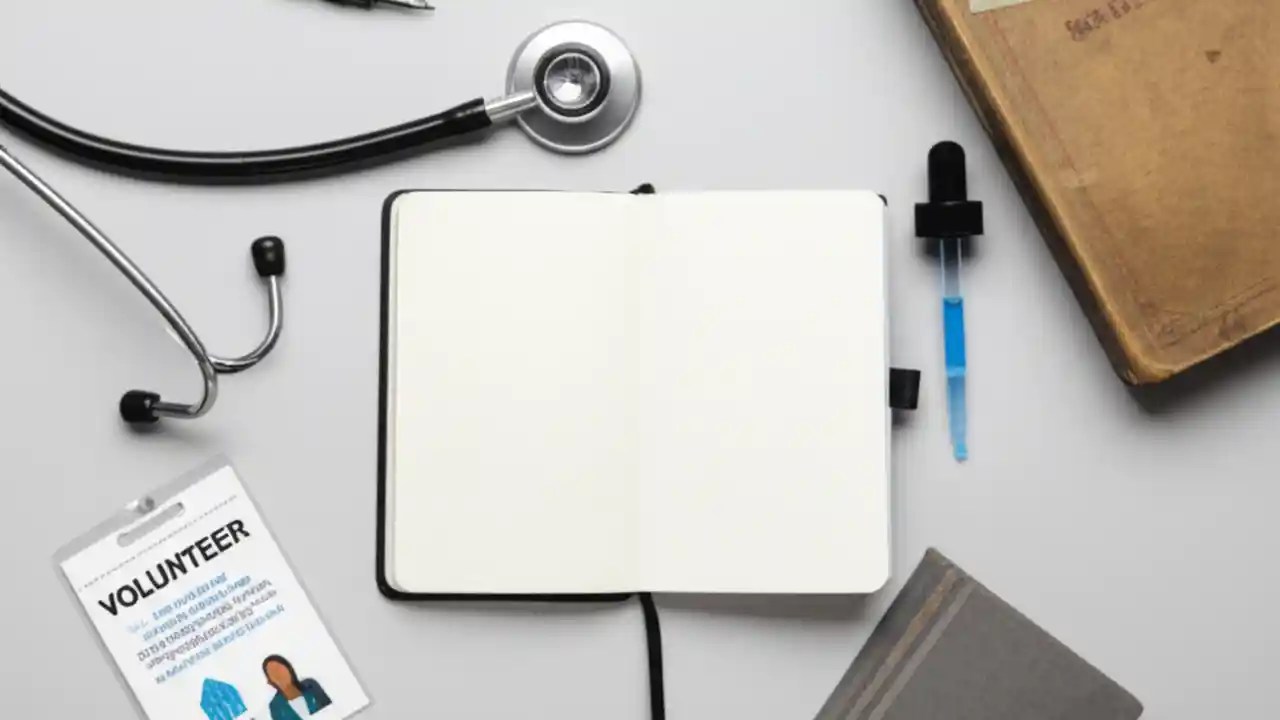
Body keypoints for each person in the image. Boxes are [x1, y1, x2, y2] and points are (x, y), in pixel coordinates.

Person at [262, 655, 332, 719]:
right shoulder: (275, 705)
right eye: (273, 672)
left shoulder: (311, 685)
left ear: (289, 668)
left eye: (279, 669)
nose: (279, 674)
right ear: (270, 680)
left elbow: (331, 710)